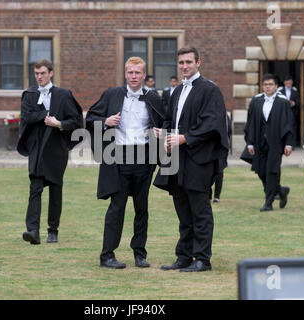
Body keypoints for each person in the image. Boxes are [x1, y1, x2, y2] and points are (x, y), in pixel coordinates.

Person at [153, 46, 229, 272]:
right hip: (177, 159)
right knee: (183, 211)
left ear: (198, 62)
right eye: (181, 63)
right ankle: (184, 256)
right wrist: (165, 134)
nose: (184, 66)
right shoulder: (176, 91)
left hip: (199, 160)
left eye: (188, 62)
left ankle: (202, 259)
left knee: (200, 211)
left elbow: (212, 124)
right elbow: (170, 120)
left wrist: (185, 138)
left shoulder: (210, 90)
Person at [86, 56, 166, 269]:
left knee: (142, 208)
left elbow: (164, 121)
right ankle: (107, 255)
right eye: (130, 72)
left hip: (144, 158)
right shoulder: (112, 94)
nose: (133, 76)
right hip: (118, 157)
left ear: (144, 75)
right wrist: (105, 121)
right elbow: (89, 118)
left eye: (138, 72)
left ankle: (140, 254)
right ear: (125, 73)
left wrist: (161, 133)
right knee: (117, 207)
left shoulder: (153, 97)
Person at [18, 59, 82, 245]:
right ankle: (33, 230)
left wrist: (59, 123)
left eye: (43, 73)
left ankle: (53, 230)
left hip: (56, 149)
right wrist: (45, 115)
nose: (39, 77)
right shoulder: (29, 95)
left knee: (55, 189)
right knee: (35, 188)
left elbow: (76, 121)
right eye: (36, 74)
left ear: (51, 73)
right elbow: (27, 117)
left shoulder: (63, 95)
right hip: (37, 149)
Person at [243, 73, 293, 212]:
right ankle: (281, 190)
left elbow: (288, 124)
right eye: (265, 84)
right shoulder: (256, 101)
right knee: (261, 171)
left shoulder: (283, 102)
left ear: (276, 86)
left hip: (276, 142)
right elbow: (251, 123)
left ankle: (268, 203)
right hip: (259, 142)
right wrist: (250, 143)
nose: (268, 87)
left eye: (270, 84)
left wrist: (288, 144)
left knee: (272, 171)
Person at [212, 113, 231, 203]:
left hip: (221, 148)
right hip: (211, 148)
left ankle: (216, 196)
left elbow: (229, 131)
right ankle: (209, 194)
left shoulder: (225, 116)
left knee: (219, 172)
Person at [279, 75, 300, 147]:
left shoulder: (295, 91)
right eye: (287, 83)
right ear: (284, 83)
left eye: (290, 83)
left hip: (292, 113)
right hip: (282, 113)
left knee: (293, 128)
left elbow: (298, 102)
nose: (288, 85)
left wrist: (293, 103)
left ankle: (292, 144)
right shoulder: (280, 91)